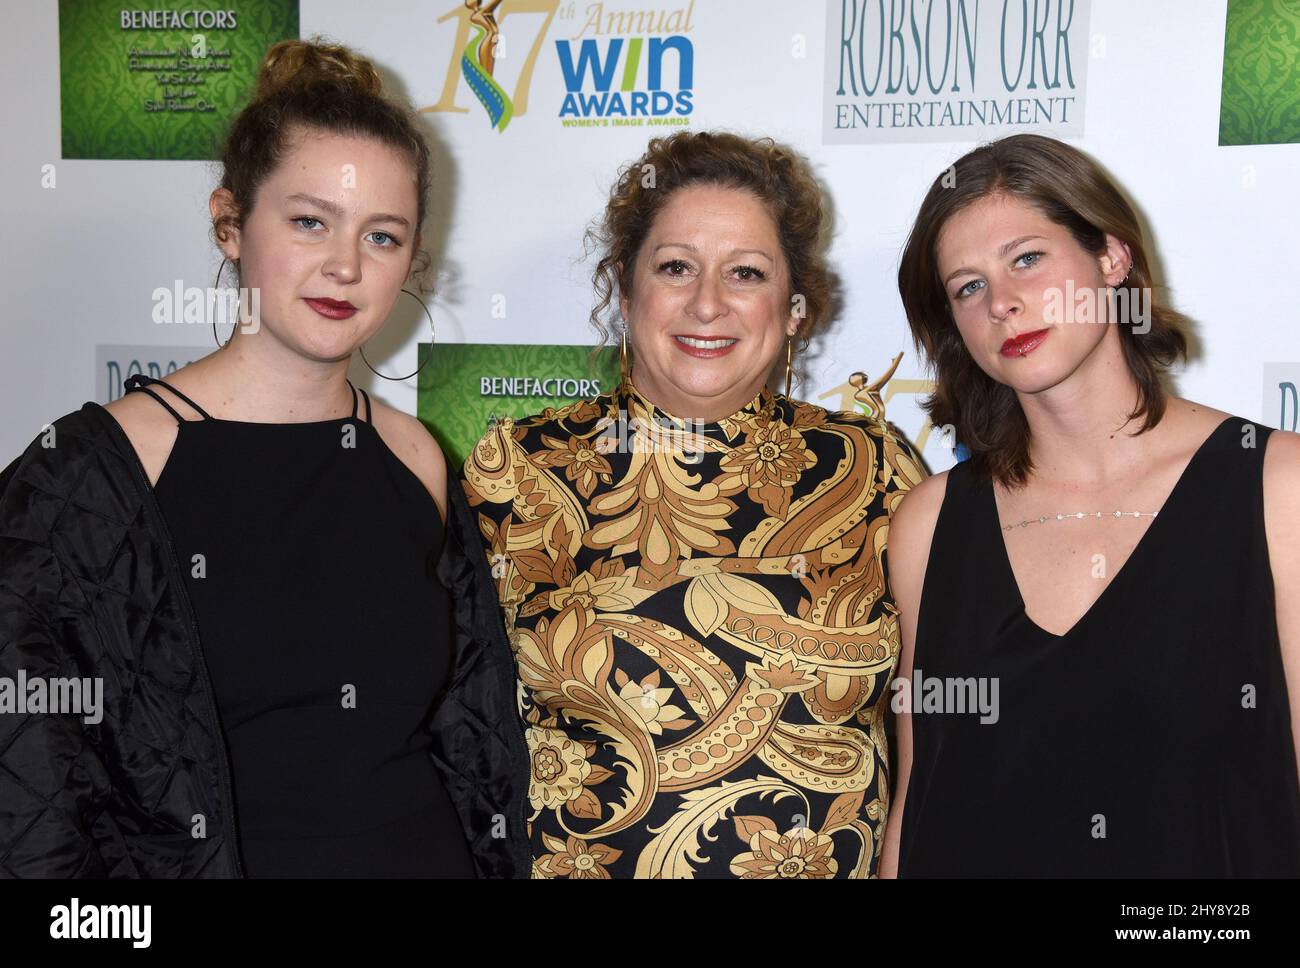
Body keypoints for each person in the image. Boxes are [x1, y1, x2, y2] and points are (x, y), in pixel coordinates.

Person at [0, 38, 528, 878]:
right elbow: (29, 789)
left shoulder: (413, 456)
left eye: (383, 236)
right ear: (231, 223)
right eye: (310, 221)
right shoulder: (93, 475)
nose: (345, 265)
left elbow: (470, 738)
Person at [461, 131, 926, 878]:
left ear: (796, 306)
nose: (708, 303)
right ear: (625, 287)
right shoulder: (513, 469)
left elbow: (929, 722)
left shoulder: (877, 470)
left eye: (746, 272)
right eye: (675, 267)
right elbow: (451, 727)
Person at [880, 133, 1300, 877]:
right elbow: (918, 805)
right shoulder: (930, 524)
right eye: (968, 286)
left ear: (1110, 258)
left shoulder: (1276, 488)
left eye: (1027, 259)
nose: (1003, 302)